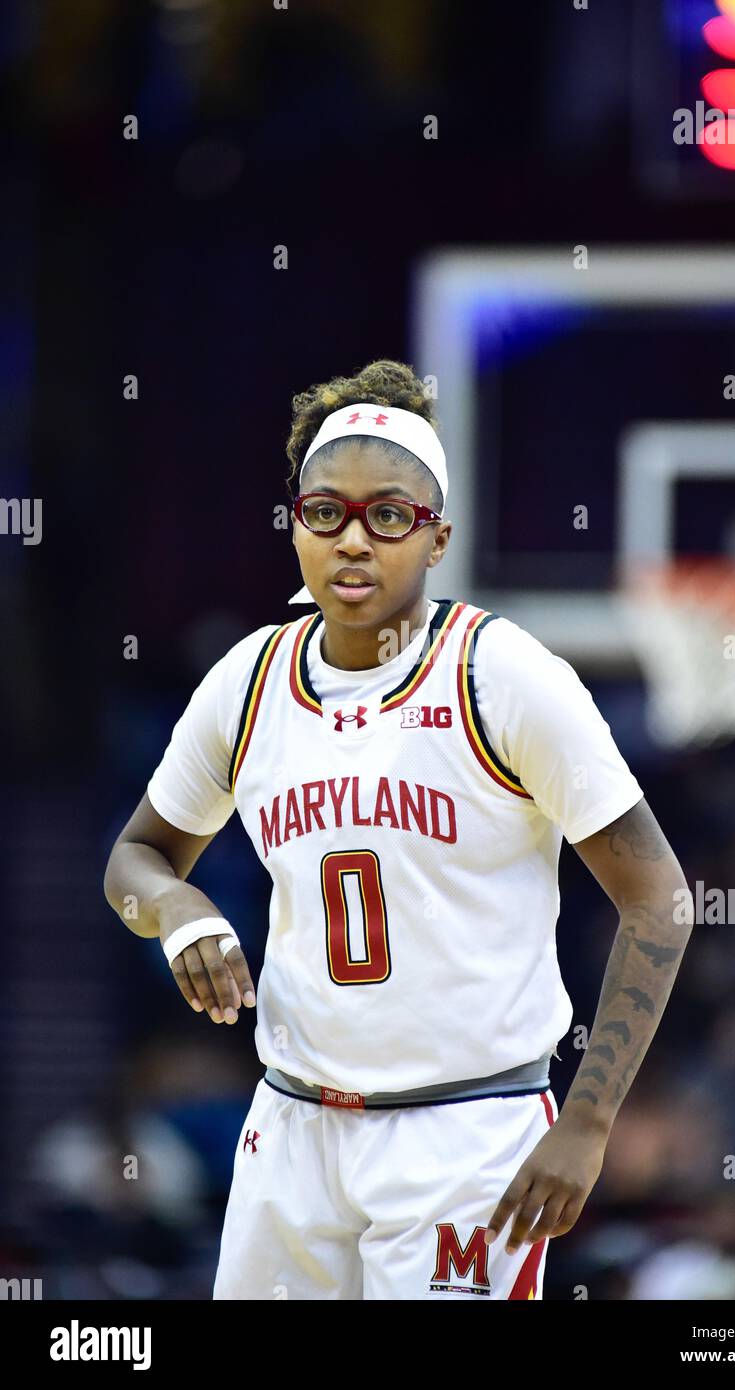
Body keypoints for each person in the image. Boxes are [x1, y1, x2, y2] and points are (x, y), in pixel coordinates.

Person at [104, 359, 694, 1301]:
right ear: (295, 523)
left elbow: (658, 900)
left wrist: (587, 1121)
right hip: (291, 1126)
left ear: (436, 537)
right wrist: (177, 909)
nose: (352, 539)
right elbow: (136, 858)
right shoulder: (247, 682)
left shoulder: (502, 676)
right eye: (325, 512)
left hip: (467, 1128)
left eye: (387, 516)